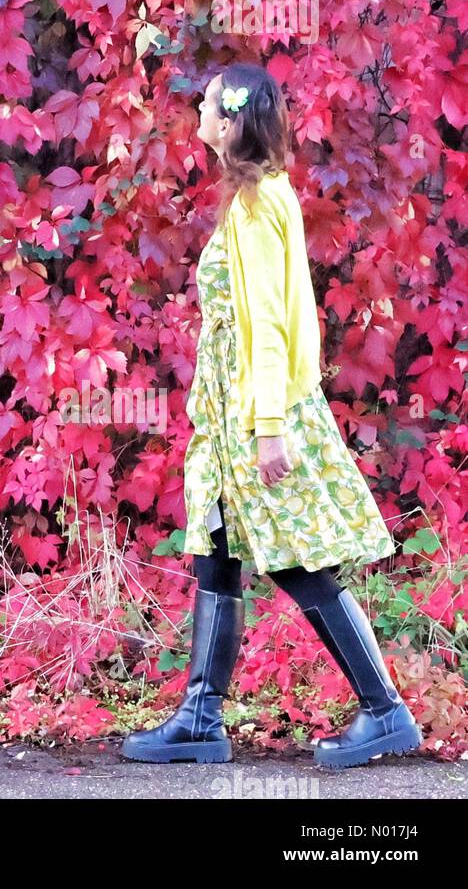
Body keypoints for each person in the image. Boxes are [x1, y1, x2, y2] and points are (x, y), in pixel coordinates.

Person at [121, 62, 421, 768]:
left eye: (206, 104)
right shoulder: (265, 195)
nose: (196, 110)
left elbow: (268, 323)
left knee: (292, 558)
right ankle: (201, 716)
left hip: (259, 410)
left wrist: (267, 427)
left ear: (229, 122)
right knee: (219, 545)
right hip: (237, 409)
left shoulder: (258, 206)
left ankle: (385, 711)